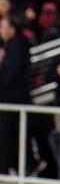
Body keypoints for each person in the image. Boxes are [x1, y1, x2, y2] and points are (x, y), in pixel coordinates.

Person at [0, 17, 30, 175]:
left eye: (3, 26)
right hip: (10, 101)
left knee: (10, 138)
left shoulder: (18, 44)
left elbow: (10, 76)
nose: (1, 30)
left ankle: (9, 170)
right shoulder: (10, 45)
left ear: (12, 28)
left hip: (14, 100)